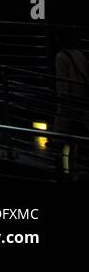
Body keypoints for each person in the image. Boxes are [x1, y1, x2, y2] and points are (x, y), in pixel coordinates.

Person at [53, 27, 89, 177]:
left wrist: (62, 99)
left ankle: (65, 169)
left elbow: (63, 84)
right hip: (83, 102)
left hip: (70, 103)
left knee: (64, 138)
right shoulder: (81, 55)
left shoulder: (61, 56)